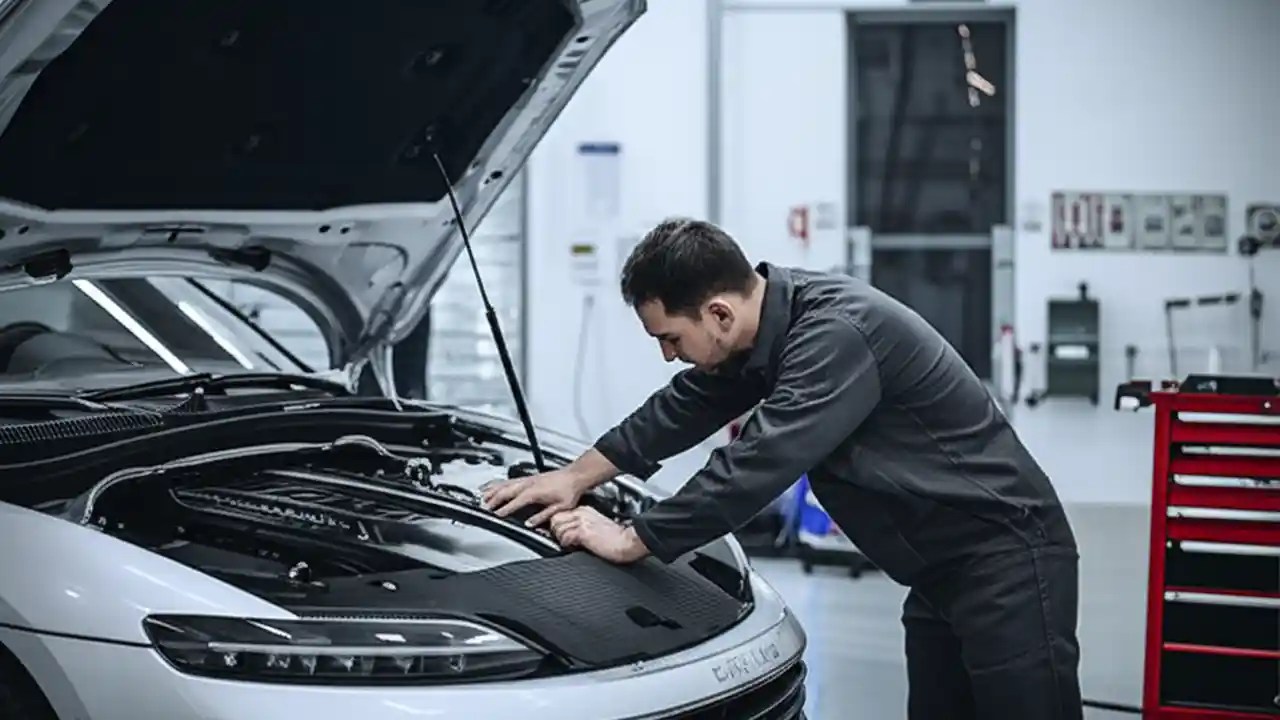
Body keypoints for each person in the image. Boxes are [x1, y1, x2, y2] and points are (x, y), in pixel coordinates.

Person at [482, 217, 1083, 720]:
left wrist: (635, 538)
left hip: (1005, 559)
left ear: (718, 313)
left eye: (670, 338)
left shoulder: (835, 334)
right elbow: (684, 405)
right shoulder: (767, 330)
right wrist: (574, 477)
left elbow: (760, 461)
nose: (668, 355)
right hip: (939, 574)